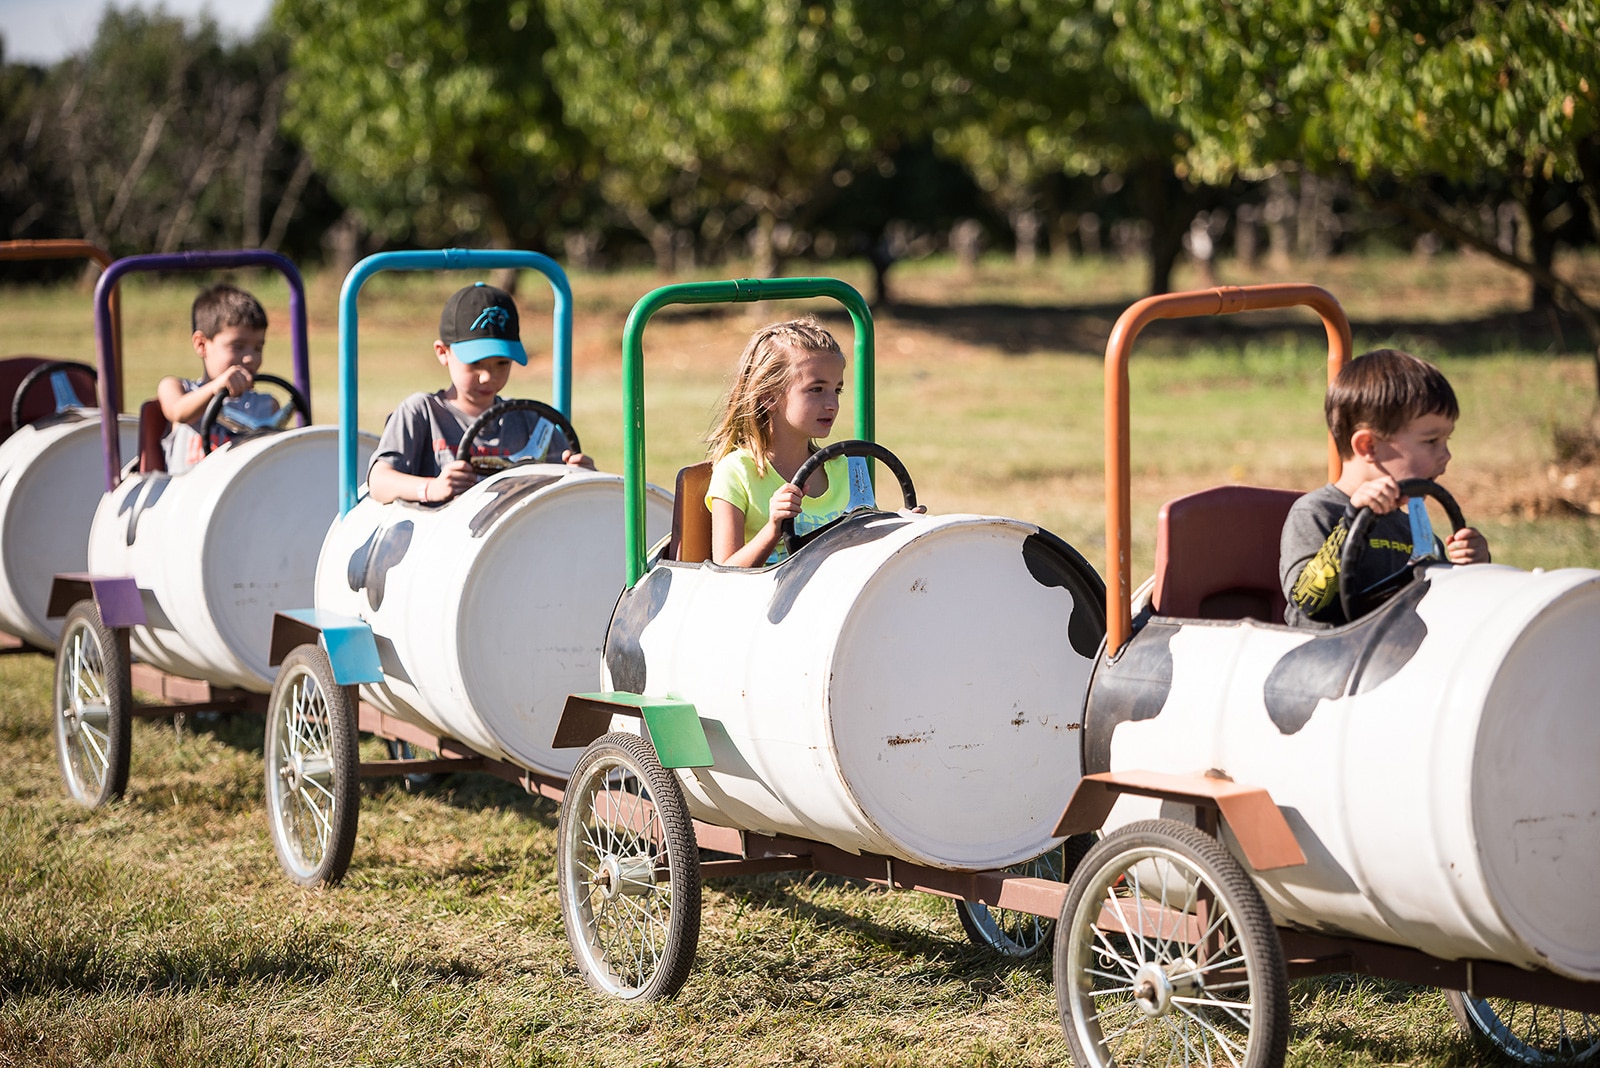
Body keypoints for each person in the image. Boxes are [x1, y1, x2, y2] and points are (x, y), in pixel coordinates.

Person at [1280, 348, 1490, 628]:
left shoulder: (1416, 530)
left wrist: (1474, 567)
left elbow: (1441, 608)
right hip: (1325, 663)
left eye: (1446, 440)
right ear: (1368, 446)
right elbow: (1309, 603)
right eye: (1431, 441)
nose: (1446, 455)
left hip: (1395, 662)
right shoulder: (1316, 513)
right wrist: (1352, 522)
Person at [367, 282, 591, 505]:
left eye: (502, 363)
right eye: (475, 363)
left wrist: (582, 476)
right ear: (443, 352)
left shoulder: (531, 422)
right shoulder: (421, 413)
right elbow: (379, 482)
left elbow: (566, 494)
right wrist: (431, 488)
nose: (487, 377)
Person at [706, 317, 881, 567]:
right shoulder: (736, 472)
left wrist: (902, 529)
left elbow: (872, 548)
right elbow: (724, 572)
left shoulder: (848, 469)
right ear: (769, 397)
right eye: (816, 390)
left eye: (837, 390)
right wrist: (773, 529)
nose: (832, 404)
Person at [157, 283, 279, 474]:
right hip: (186, 498)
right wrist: (216, 387)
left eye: (258, 348)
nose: (251, 358)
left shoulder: (267, 406)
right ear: (201, 344)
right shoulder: (176, 388)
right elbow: (178, 412)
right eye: (237, 346)